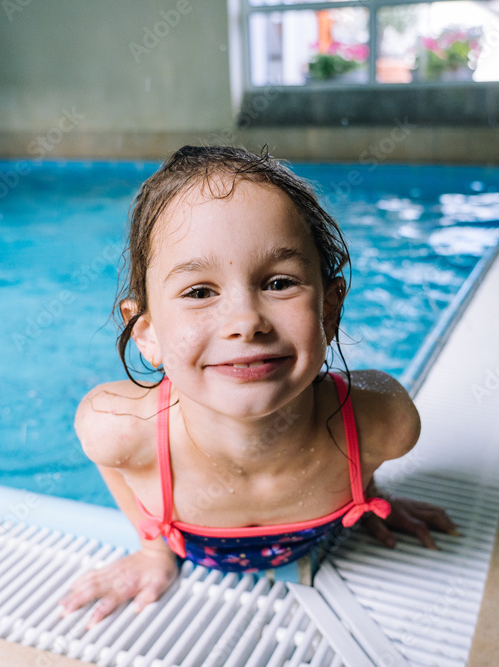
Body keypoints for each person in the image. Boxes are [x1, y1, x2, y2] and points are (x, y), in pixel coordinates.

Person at [59, 145, 457, 629]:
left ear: (329, 311)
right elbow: (108, 460)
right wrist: (152, 547)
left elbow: (373, 439)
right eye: (200, 292)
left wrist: (372, 495)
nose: (246, 321)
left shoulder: (383, 424)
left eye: (279, 283)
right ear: (147, 333)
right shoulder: (119, 430)